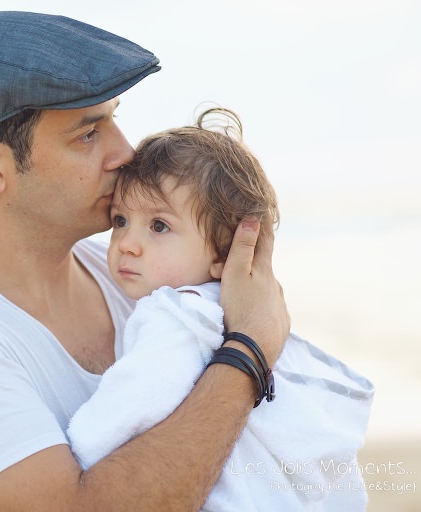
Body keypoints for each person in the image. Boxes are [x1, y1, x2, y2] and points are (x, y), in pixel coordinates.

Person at [0, 12, 289, 512]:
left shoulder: (136, 273)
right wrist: (249, 352)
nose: (125, 151)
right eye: (87, 134)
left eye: (114, 118)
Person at [66, 108, 375, 511]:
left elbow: (131, 406)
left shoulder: (174, 315)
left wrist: (76, 451)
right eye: (121, 220)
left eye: (158, 226)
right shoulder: (233, 308)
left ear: (223, 253)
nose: (126, 242)